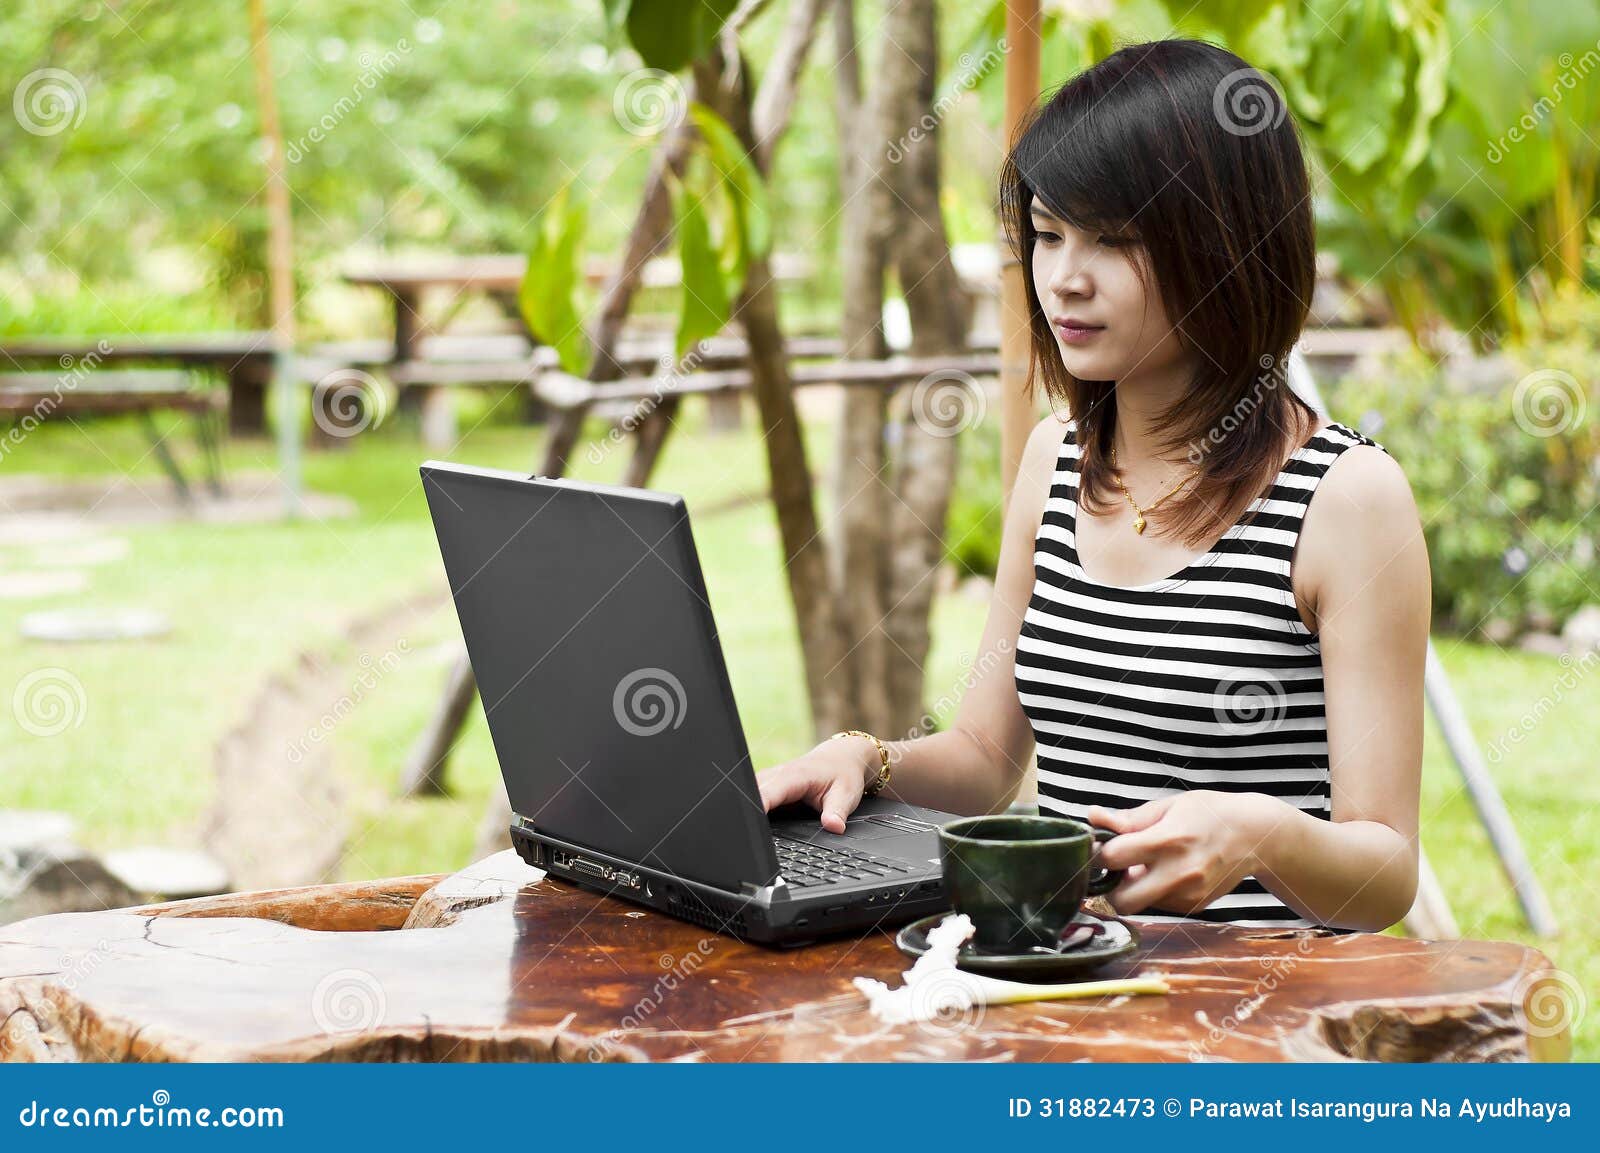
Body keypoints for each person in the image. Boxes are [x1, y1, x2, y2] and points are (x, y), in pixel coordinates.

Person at [757, 39, 1429, 932]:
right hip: (1067, 974)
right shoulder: (1056, 457)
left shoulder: (1345, 498)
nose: (1064, 279)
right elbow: (985, 759)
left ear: (1225, 244)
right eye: (1047, 234)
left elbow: (1385, 870)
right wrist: (863, 758)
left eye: (1115, 239)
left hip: (1259, 997)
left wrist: (1260, 833)